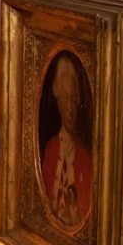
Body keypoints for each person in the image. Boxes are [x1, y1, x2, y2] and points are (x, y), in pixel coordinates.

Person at [40, 52, 93, 227]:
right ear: (57, 101)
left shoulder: (85, 157)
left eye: (72, 99)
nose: (69, 108)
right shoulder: (50, 149)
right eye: (64, 99)